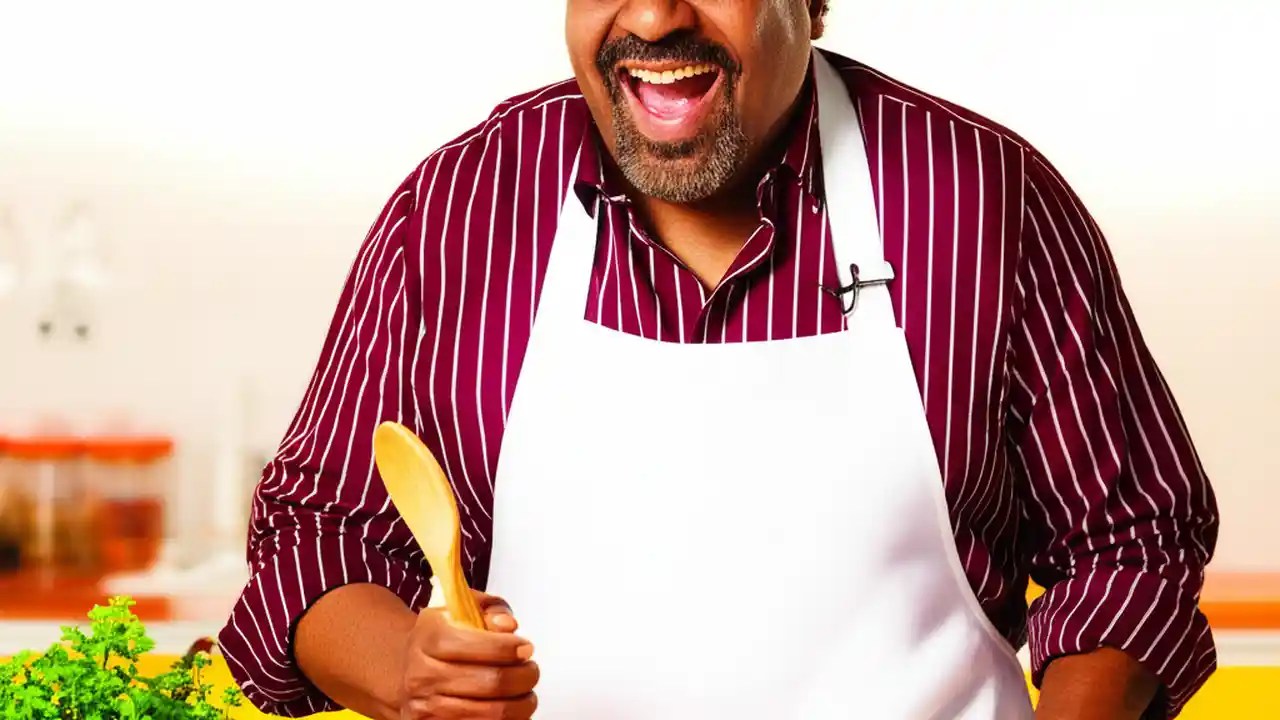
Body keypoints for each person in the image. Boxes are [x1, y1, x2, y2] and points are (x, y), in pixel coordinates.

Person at [218, 2, 1219, 719]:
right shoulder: (458, 207)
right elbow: (322, 533)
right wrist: (404, 669)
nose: (652, 19)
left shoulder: (980, 200)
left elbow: (1124, 547)